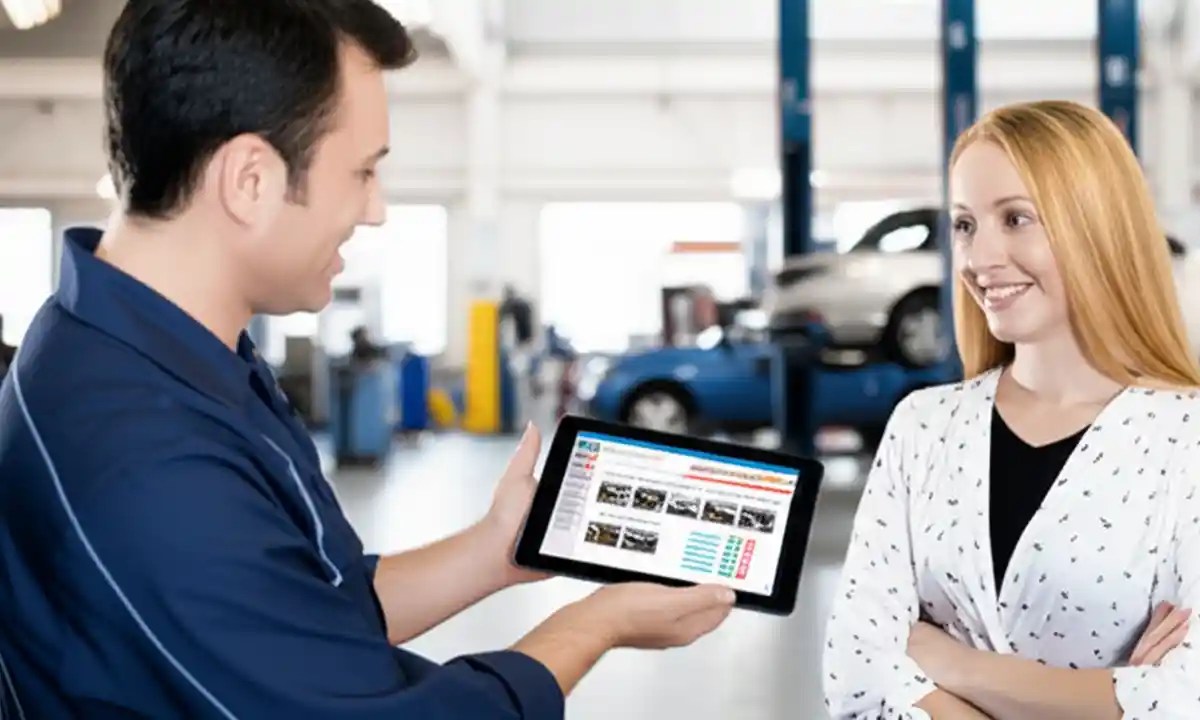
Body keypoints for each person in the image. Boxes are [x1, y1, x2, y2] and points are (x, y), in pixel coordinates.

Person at [0, 2, 734, 718]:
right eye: (362, 172)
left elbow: (308, 609)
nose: (376, 208)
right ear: (250, 179)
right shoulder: (147, 457)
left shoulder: (139, 343)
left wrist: (492, 551)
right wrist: (593, 625)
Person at [822, 100, 1200, 719]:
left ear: (1099, 227)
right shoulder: (923, 426)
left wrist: (950, 661)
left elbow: (1196, 704)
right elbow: (856, 674)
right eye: (966, 224)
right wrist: (1107, 697)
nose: (979, 259)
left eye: (1017, 219)